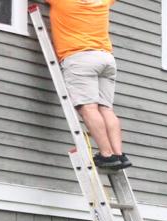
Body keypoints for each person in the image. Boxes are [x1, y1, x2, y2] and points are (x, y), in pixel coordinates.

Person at [44, 0, 131, 171]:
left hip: (80, 57)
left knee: (89, 108)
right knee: (106, 109)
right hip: (106, 58)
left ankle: (107, 155)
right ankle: (119, 154)